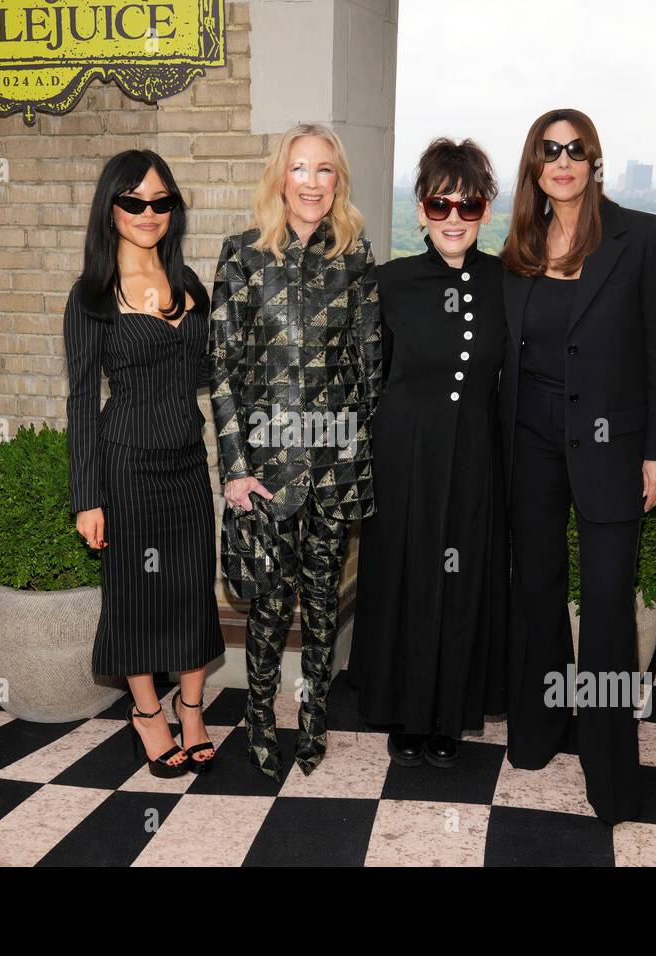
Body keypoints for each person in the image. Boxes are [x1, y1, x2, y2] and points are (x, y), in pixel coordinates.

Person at [499, 109, 656, 824]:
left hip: (611, 443)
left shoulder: (643, 236)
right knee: (535, 588)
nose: (563, 161)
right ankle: (542, 728)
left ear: (593, 160)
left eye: (576, 150)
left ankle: (609, 769)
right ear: (535, 164)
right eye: (550, 150)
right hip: (529, 441)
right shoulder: (518, 244)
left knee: (606, 603)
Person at [208, 122, 381, 781]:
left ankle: (313, 720)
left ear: (339, 182)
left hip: (333, 471)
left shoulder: (356, 261)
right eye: (300, 168)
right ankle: (258, 720)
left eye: (325, 170)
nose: (312, 182)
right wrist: (235, 469)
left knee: (320, 604)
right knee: (270, 605)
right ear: (281, 176)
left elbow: (371, 374)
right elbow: (220, 369)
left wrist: (355, 459)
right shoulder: (243, 255)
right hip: (265, 472)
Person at [65, 149, 224, 777]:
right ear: (111, 210)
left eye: (161, 202)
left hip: (187, 464)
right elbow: (81, 402)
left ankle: (191, 709)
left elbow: (208, 373)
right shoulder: (92, 297)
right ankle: (148, 715)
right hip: (125, 468)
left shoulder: (190, 288)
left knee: (189, 591)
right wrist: (87, 497)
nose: (148, 213)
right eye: (134, 202)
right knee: (132, 597)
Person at [351, 137, 507, 769]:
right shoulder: (388, 283)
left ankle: (449, 715)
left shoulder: (507, 282)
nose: (452, 219)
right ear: (420, 208)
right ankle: (408, 712)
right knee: (408, 576)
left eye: (467, 207)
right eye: (440, 204)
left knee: (463, 579)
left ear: (485, 213)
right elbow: (362, 378)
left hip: (475, 453)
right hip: (404, 453)